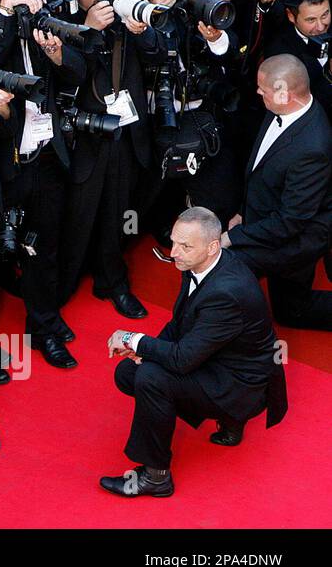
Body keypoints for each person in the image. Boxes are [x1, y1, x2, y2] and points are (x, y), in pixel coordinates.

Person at [101, 208, 288, 497]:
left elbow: (181, 358)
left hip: (240, 384)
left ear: (213, 246)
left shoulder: (226, 292)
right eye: (174, 242)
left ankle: (156, 476)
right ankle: (230, 422)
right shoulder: (201, 263)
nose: (174, 252)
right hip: (221, 359)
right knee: (129, 372)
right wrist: (143, 350)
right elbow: (180, 322)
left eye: (185, 246)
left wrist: (133, 339)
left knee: (149, 377)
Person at [222, 54, 332, 330]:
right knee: (288, 310)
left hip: (297, 236)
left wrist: (234, 237)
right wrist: (242, 212)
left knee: (292, 311)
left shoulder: (313, 147)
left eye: (264, 90)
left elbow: (290, 222)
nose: (258, 93)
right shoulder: (280, 109)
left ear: (284, 93)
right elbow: (261, 171)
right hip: (268, 218)